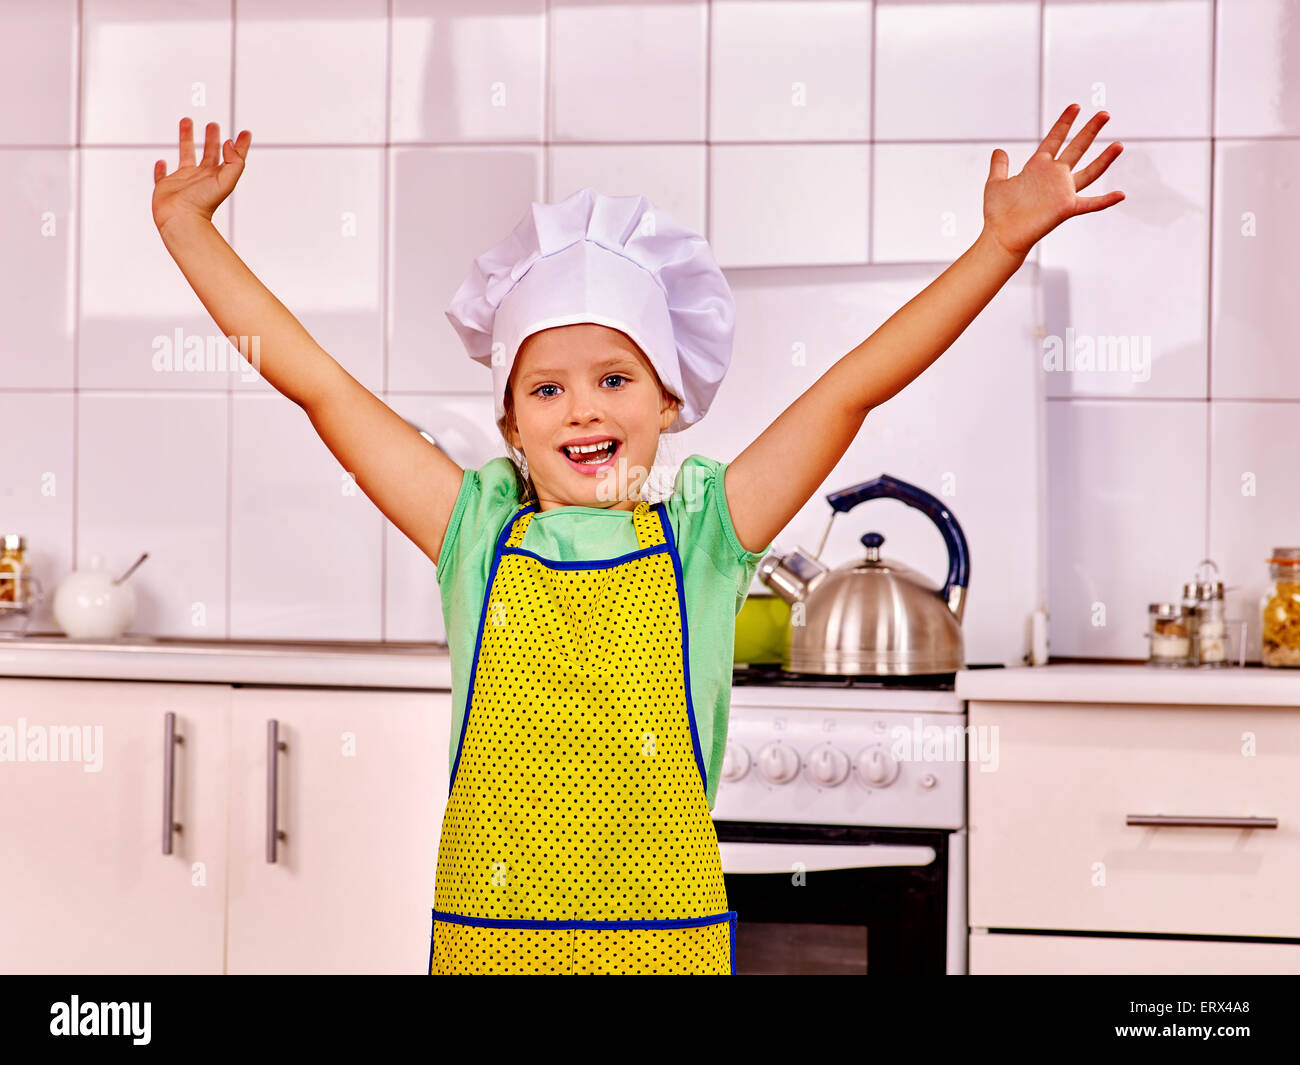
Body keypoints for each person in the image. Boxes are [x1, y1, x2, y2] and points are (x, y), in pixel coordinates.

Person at [151, 105, 1124, 976]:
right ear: (510, 422)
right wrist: (189, 231)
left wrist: (997, 248)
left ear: (668, 399)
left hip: (665, 937)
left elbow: (851, 388)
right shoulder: (472, 528)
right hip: (495, 938)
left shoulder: (707, 529)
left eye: (614, 378)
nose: (582, 409)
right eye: (547, 387)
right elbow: (317, 384)